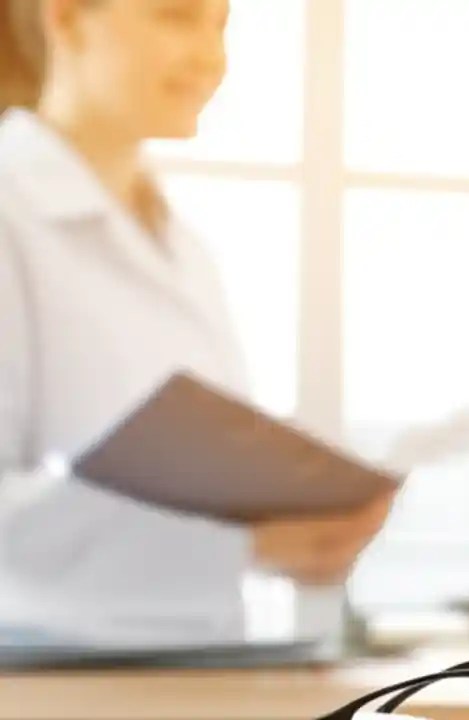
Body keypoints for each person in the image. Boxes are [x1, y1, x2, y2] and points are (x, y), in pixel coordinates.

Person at [0, 0, 392, 645]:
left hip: (197, 664)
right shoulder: (13, 212)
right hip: (50, 676)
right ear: (65, 18)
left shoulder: (182, 247)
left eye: (221, 26)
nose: (212, 58)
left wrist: (298, 528)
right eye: (177, 16)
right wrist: (248, 547)